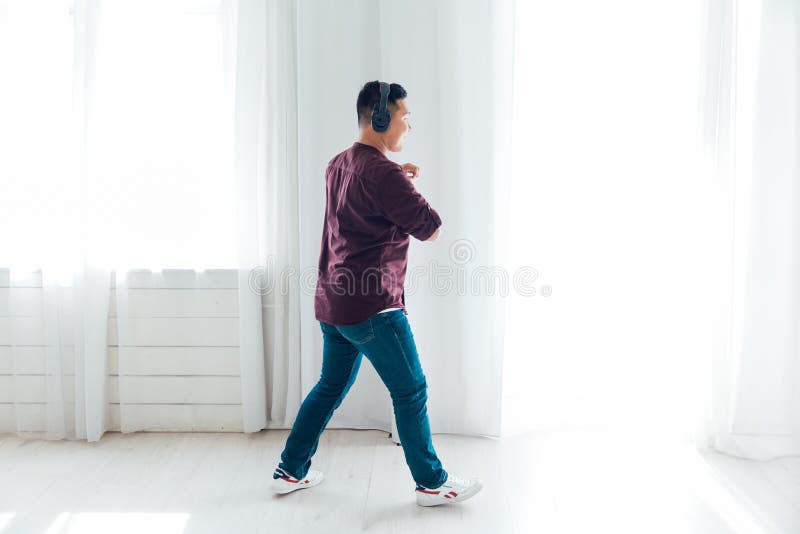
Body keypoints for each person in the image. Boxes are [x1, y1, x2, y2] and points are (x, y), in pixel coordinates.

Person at [270, 81, 482, 506]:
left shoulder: (338, 163)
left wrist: (395, 178)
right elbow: (431, 228)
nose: (409, 124)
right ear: (382, 118)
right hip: (373, 307)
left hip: (334, 302)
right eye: (405, 116)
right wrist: (403, 185)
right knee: (411, 390)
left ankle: (289, 471)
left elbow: (360, 207)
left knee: (329, 386)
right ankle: (431, 483)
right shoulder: (384, 175)